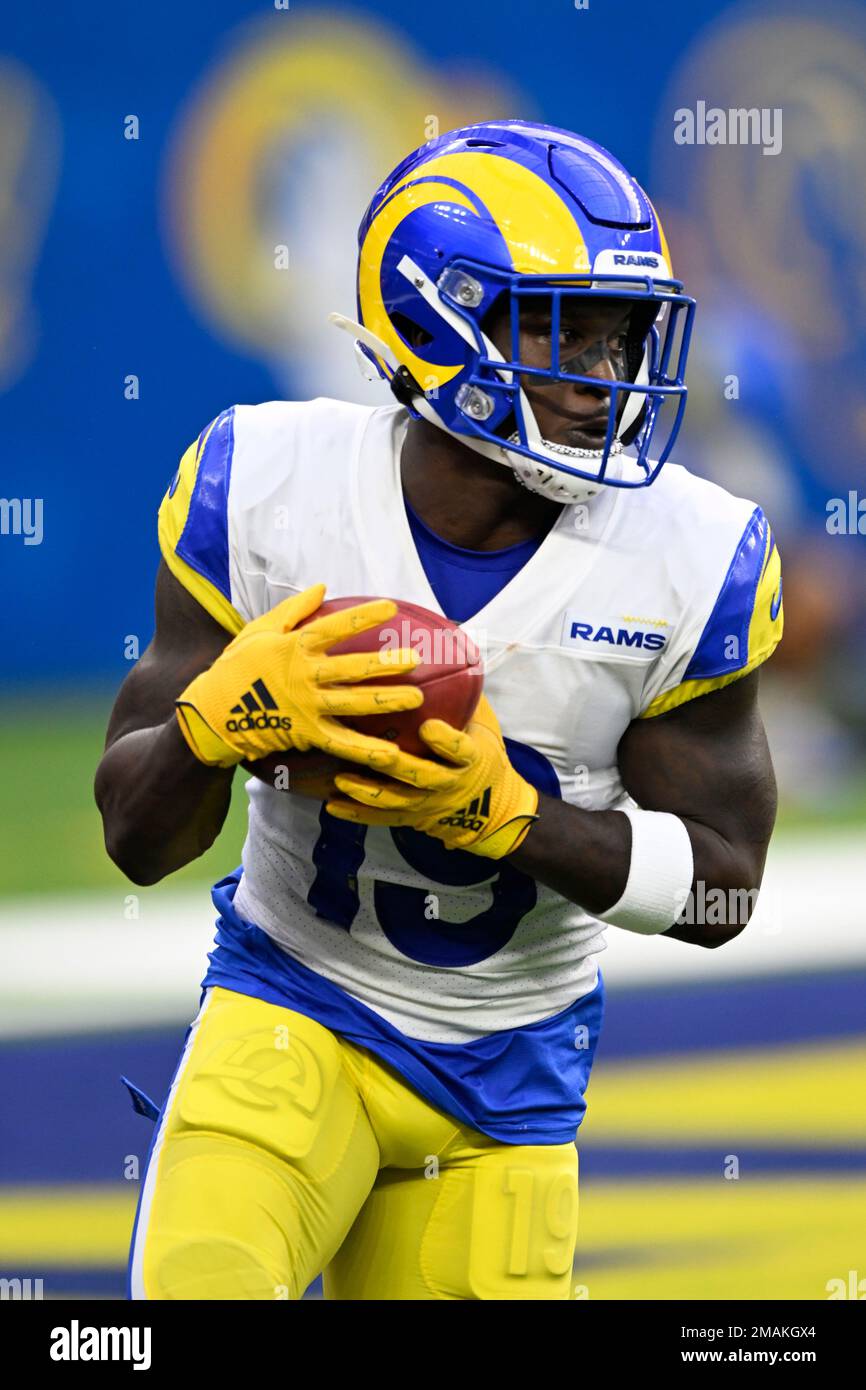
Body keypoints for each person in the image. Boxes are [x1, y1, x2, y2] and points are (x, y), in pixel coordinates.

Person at [95, 120, 783, 1300]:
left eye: (618, 337)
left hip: (508, 1082)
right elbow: (134, 840)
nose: (604, 378)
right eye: (562, 330)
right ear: (432, 322)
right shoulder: (264, 486)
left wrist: (513, 818)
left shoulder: (688, 554)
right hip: (289, 1004)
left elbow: (723, 891)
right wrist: (210, 728)